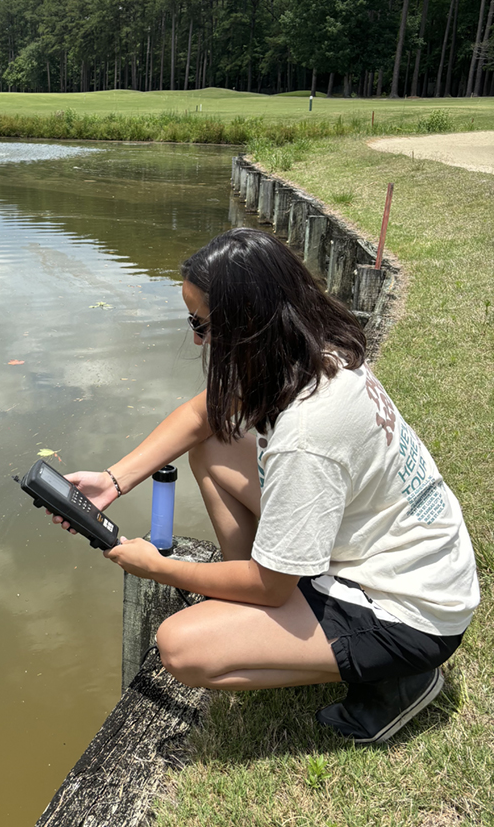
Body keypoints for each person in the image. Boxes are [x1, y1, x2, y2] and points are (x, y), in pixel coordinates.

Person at [54, 228, 478, 743]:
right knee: (213, 447)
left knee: (182, 647)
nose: (195, 338)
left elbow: (272, 585)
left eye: (202, 324)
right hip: (416, 558)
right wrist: (112, 481)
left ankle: (397, 679)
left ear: (247, 325)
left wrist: (164, 569)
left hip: (410, 611)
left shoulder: (307, 434)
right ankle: (258, 615)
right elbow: (202, 414)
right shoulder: (316, 349)